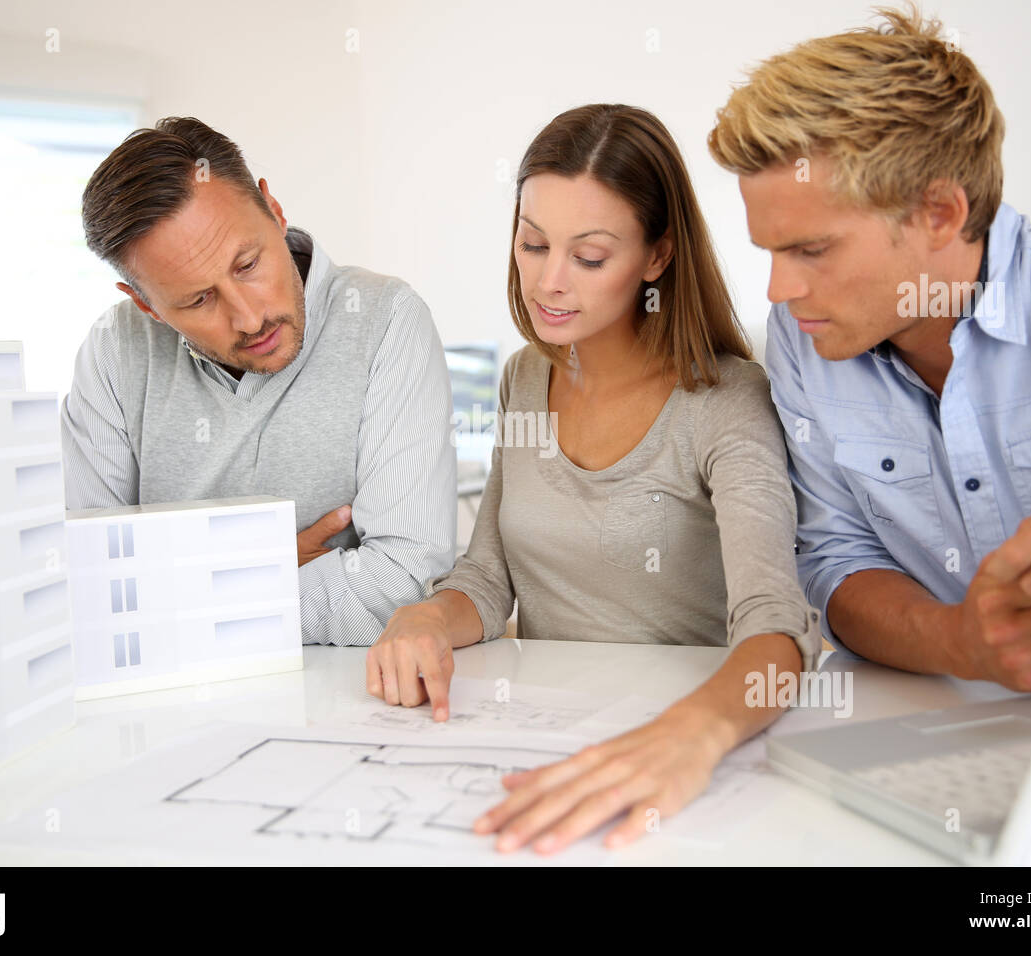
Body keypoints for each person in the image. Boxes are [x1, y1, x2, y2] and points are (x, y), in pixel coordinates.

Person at [366, 104, 823, 854]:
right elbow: (486, 579)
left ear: (656, 256)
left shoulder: (725, 402)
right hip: (540, 732)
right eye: (533, 243)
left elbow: (778, 629)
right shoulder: (522, 378)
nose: (549, 282)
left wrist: (687, 737)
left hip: (679, 740)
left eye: (589, 257)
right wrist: (424, 618)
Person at [707, 6, 1031, 692]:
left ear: (939, 213)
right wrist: (957, 642)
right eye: (769, 251)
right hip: (963, 729)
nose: (780, 289)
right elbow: (835, 559)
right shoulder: (802, 341)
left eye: (812, 250)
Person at [63, 117, 457, 646]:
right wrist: (262, 564)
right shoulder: (115, 349)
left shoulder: (387, 318)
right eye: (199, 300)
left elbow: (404, 580)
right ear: (145, 304)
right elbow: (81, 583)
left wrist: (185, 594)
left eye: (248, 265)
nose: (250, 319)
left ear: (273, 211)